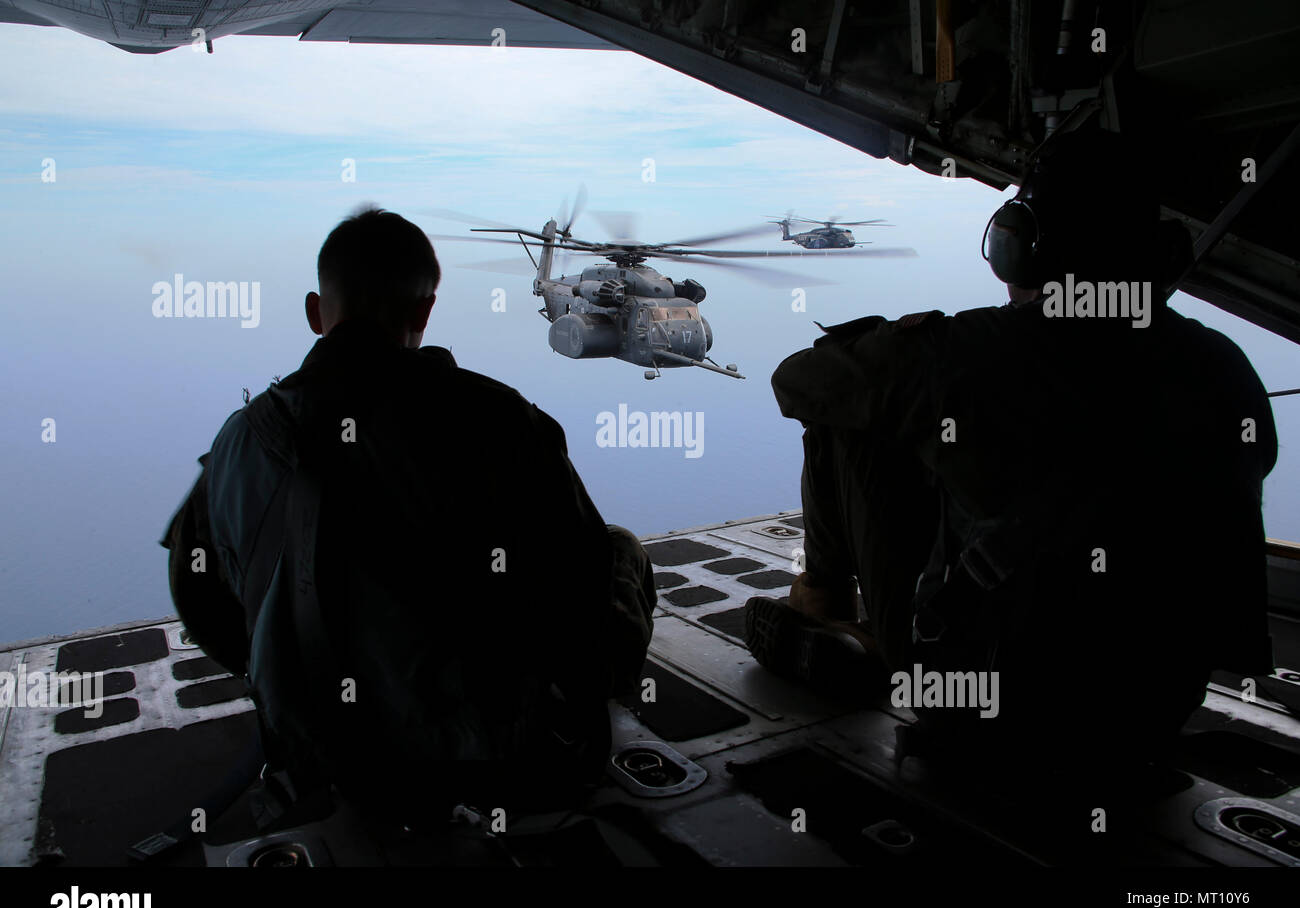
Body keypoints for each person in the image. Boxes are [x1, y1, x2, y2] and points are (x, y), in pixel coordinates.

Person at [744, 128, 1277, 779]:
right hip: (1147, 715)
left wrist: (899, 346)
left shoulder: (964, 355)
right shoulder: (1225, 368)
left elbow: (797, 383)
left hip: (979, 712)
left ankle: (824, 606)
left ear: (1025, 249)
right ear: (1158, 252)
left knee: (850, 415)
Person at [162, 206, 655, 824]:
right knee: (621, 549)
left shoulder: (240, 439)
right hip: (494, 763)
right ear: (424, 312)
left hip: (320, 753)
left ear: (317, 313)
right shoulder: (499, 420)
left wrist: (283, 668)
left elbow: (195, 587)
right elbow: (580, 581)